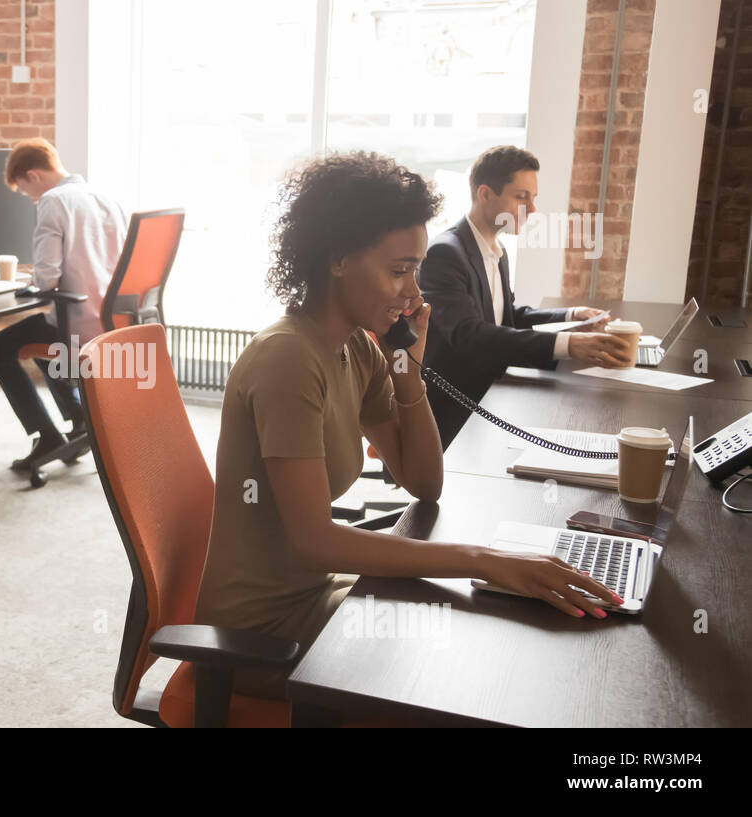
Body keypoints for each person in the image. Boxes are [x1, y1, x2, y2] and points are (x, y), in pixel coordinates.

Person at [195, 153, 620, 701]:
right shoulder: (288, 359)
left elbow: (424, 482)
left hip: (317, 595)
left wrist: (408, 363)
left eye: (415, 269)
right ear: (337, 259)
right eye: (398, 270)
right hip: (261, 633)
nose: (413, 291)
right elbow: (316, 541)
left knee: (481, 624)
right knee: (463, 663)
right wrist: (482, 559)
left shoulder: (355, 346)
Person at [418, 146, 633, 448]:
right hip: (456, 410)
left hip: (492, 393)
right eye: (521, 197)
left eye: (533, 198)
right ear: (485, 194)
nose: (531, 209)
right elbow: (470, 335)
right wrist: (570, 346)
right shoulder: (445, 253)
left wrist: (571, 317)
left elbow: (506, 317)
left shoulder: (495, 249)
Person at [0, 138, 127, 469]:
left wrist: (30, 283)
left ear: (33, 175)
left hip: (80, 324)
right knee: (41, 335)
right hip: (116, 325)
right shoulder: (108, 199)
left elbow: (47, 279)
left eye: (26, 190)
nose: (31, 199)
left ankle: (45, 435)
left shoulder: (53, 201)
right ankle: (78, 418)